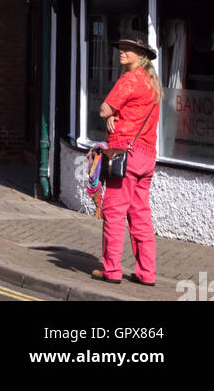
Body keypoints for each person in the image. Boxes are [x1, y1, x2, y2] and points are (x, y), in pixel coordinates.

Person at [92, 32, 161, 286]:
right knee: (140, 214)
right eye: (121, 47)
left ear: (141, 55)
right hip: (147, 157)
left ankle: (111, 270)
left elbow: (103, 109)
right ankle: (146, 273)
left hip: (125, 155)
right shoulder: (153, 83)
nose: (122, 51)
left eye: (128, 49)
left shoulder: (129, 79)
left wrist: (111, 115)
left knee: (114, 211)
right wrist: (115, 115)